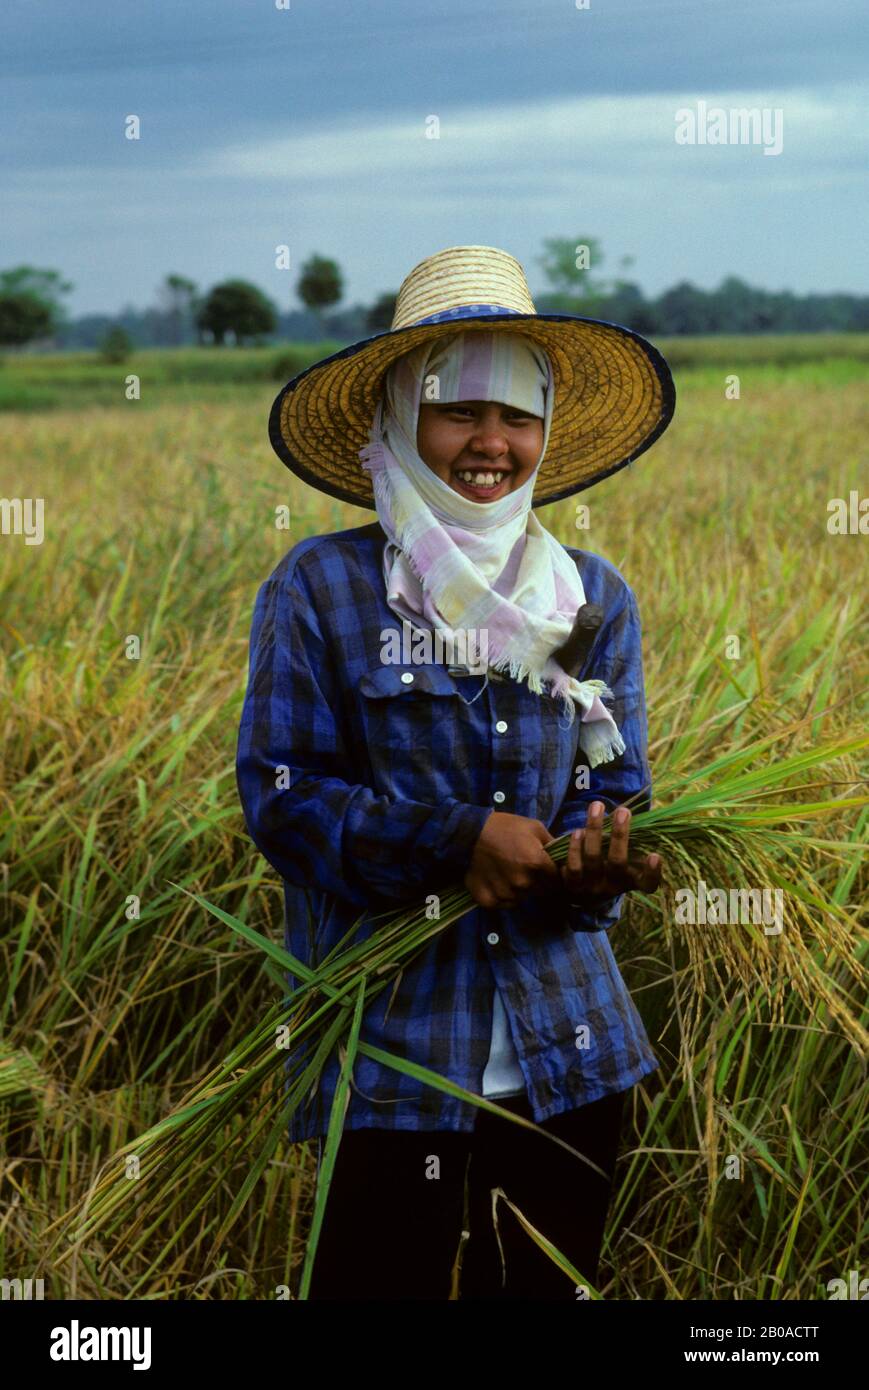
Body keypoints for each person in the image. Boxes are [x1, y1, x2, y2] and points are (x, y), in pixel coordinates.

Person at [236, 244, 676, 1300]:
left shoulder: (587, 598)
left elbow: (613, 781)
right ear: (399, 415)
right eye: (458, 412)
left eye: (518, 415)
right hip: (390, 1058)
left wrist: (591, 856)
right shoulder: (325, 590)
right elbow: (282, 796)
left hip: (568, 1054)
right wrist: (451, 842)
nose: (491, 442)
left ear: (547, 430)